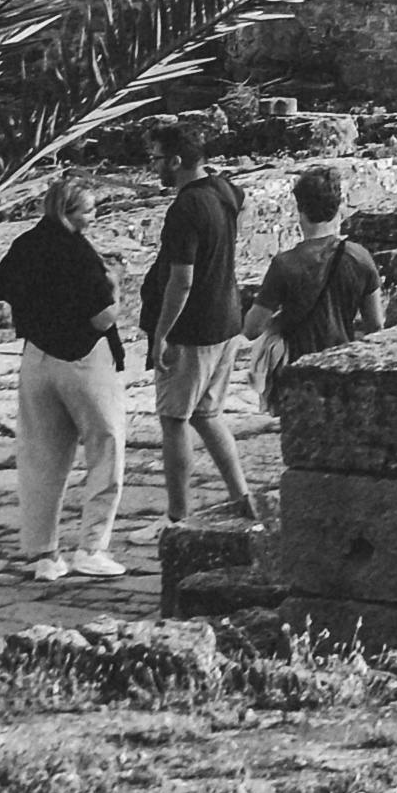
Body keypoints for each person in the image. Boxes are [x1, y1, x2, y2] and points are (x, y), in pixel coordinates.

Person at [0, 174, 129, 580]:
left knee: (40, 456)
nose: (95, 215)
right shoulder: (80, 254)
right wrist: (117, 290)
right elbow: (102, 317)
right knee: (106, 447)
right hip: (84, 358)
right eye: (89, 209)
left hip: (37, 356)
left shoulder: (26, 243)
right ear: (70, 212)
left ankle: (42, 554)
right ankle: (92, 547)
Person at [132, 125, 262, 534]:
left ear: (175, 161)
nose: (154, 167)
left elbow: (181, 279)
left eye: (156, 159)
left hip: (192, 327)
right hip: (227, 318)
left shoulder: (185, 208)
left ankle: (176, 516)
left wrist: (161, 334)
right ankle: (243, 499)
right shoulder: (225, 189)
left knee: (174, 419)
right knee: (208, 413)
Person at [249, 167, 385, 409]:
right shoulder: (360, 257)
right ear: (338, 207)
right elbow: (376, 325)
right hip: (343, 369)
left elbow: (252, 328)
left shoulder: (284, 264)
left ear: (299, 208)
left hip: (297, 375)